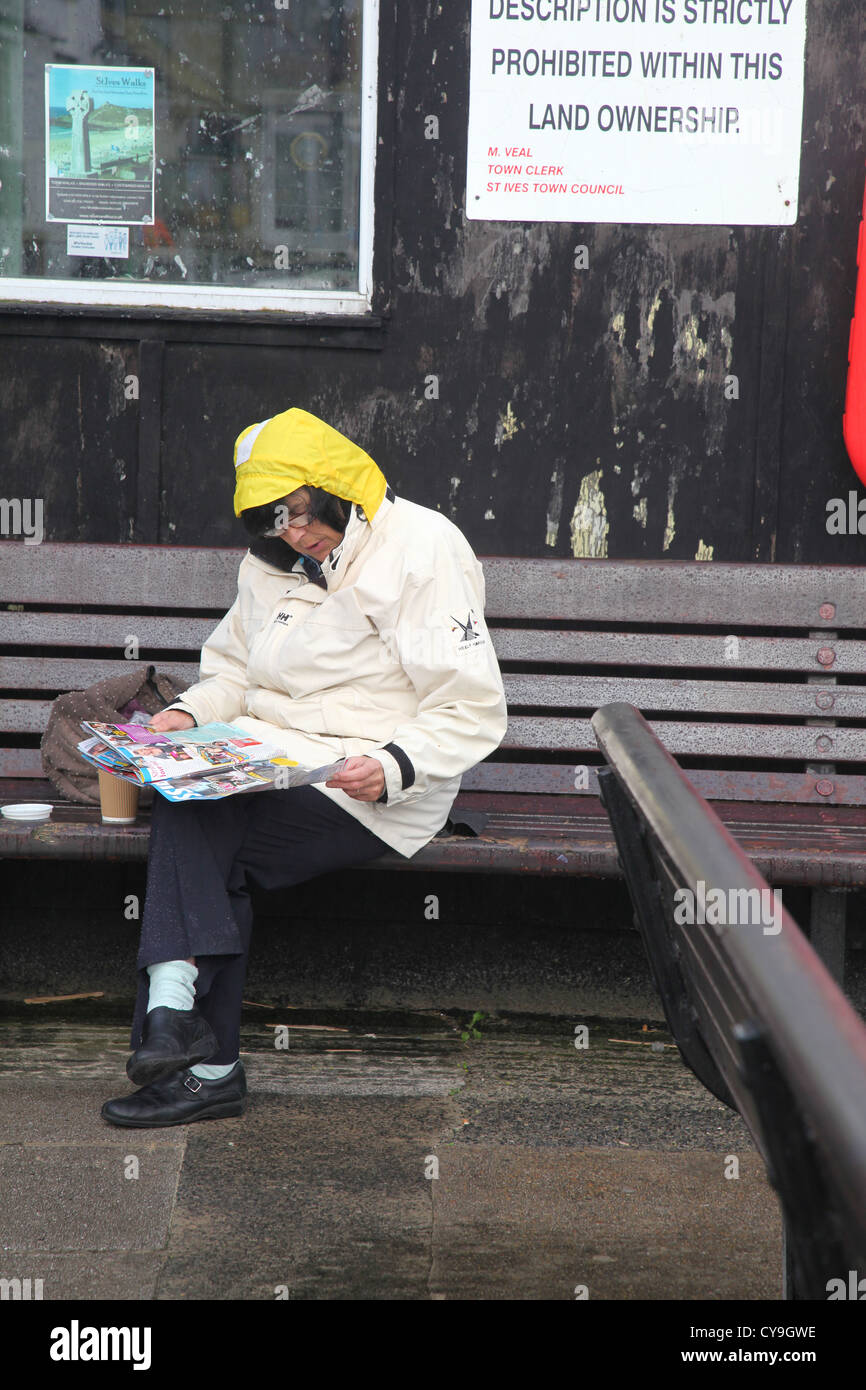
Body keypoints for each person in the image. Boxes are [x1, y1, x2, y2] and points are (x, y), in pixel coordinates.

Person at [101, 406, 508, 1127]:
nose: (290, 535)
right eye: (268, 523)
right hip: (265, 759)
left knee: (197, 827)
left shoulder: (421, 549)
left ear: (333, 485)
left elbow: (470, 706)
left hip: (368, 784)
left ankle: (186, 1039)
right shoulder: (272, 560)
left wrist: (393, 766)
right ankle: (191, 1050)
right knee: (190, 799)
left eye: (295, 514)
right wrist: (188, 717)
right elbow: (231, 667)